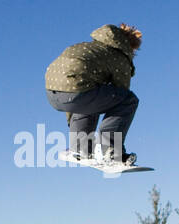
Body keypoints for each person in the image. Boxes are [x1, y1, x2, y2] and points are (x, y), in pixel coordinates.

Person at [45, 23, 143, 165]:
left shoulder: (91, 48)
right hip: (79, 92)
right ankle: (109, 151)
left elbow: (72, 93)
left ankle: (80, 149)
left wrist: (71, 121)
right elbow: (122, 94)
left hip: (52, 94)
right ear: (128, 46)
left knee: (94, 98)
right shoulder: (118, 56)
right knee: (128, 100)